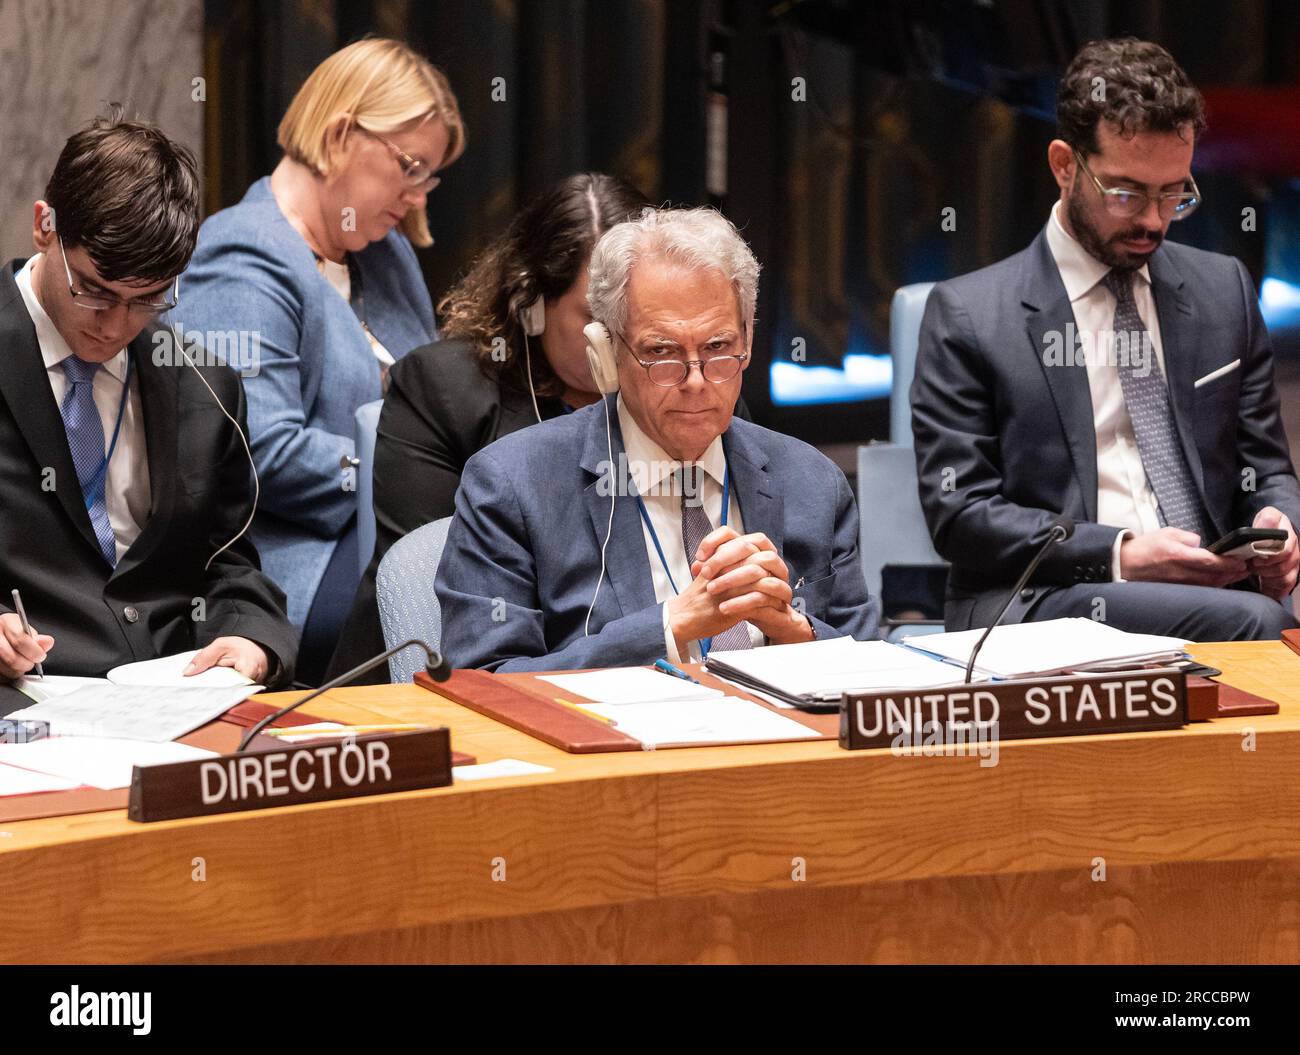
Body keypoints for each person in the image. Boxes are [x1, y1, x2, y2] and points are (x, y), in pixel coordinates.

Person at [912, 37, 1300, 640]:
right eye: (1126, 192)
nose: (1152, 219)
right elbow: (959, 515)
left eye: (1175, 193)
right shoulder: (967, 314)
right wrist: (1121, 554)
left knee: (1254, 618)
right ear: (1065, 165)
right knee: (1259, 626)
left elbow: (1267, 469)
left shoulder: (1223, 289)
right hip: (1040, 597)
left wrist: (1281, 527)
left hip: (1214, 588)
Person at [435, 207, 879, 672]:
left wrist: (794, 632)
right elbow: (483, 680)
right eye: (661, 352)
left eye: (718, 348)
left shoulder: (812, 481)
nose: (696, 381)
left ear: (747, 339)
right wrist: (670, 625)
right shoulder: (514, 485)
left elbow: (871, 666)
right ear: (605, 354)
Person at [166, 38, 465, 683]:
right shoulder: (242, 256)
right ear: (339, 134)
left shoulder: (386, 255)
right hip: (297, 569)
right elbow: (256, 451)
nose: (417, 196)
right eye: (409, 166)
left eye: (429, 176)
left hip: (395, 538)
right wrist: (419, 475)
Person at [0, 109, 296, 699]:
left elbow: (231, 564)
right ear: (44, 226)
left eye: (149, 300)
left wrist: (252, 641)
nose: (115, 326)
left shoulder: (204, 384)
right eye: (94, 291)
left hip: (177, 695)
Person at [326, 172, 650, 677]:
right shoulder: (442, 390)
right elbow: (440, 584)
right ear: (532, 305)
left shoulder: (688, 384)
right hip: (462, 668)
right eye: (596, 315)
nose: (621, 338)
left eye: (633, 314)